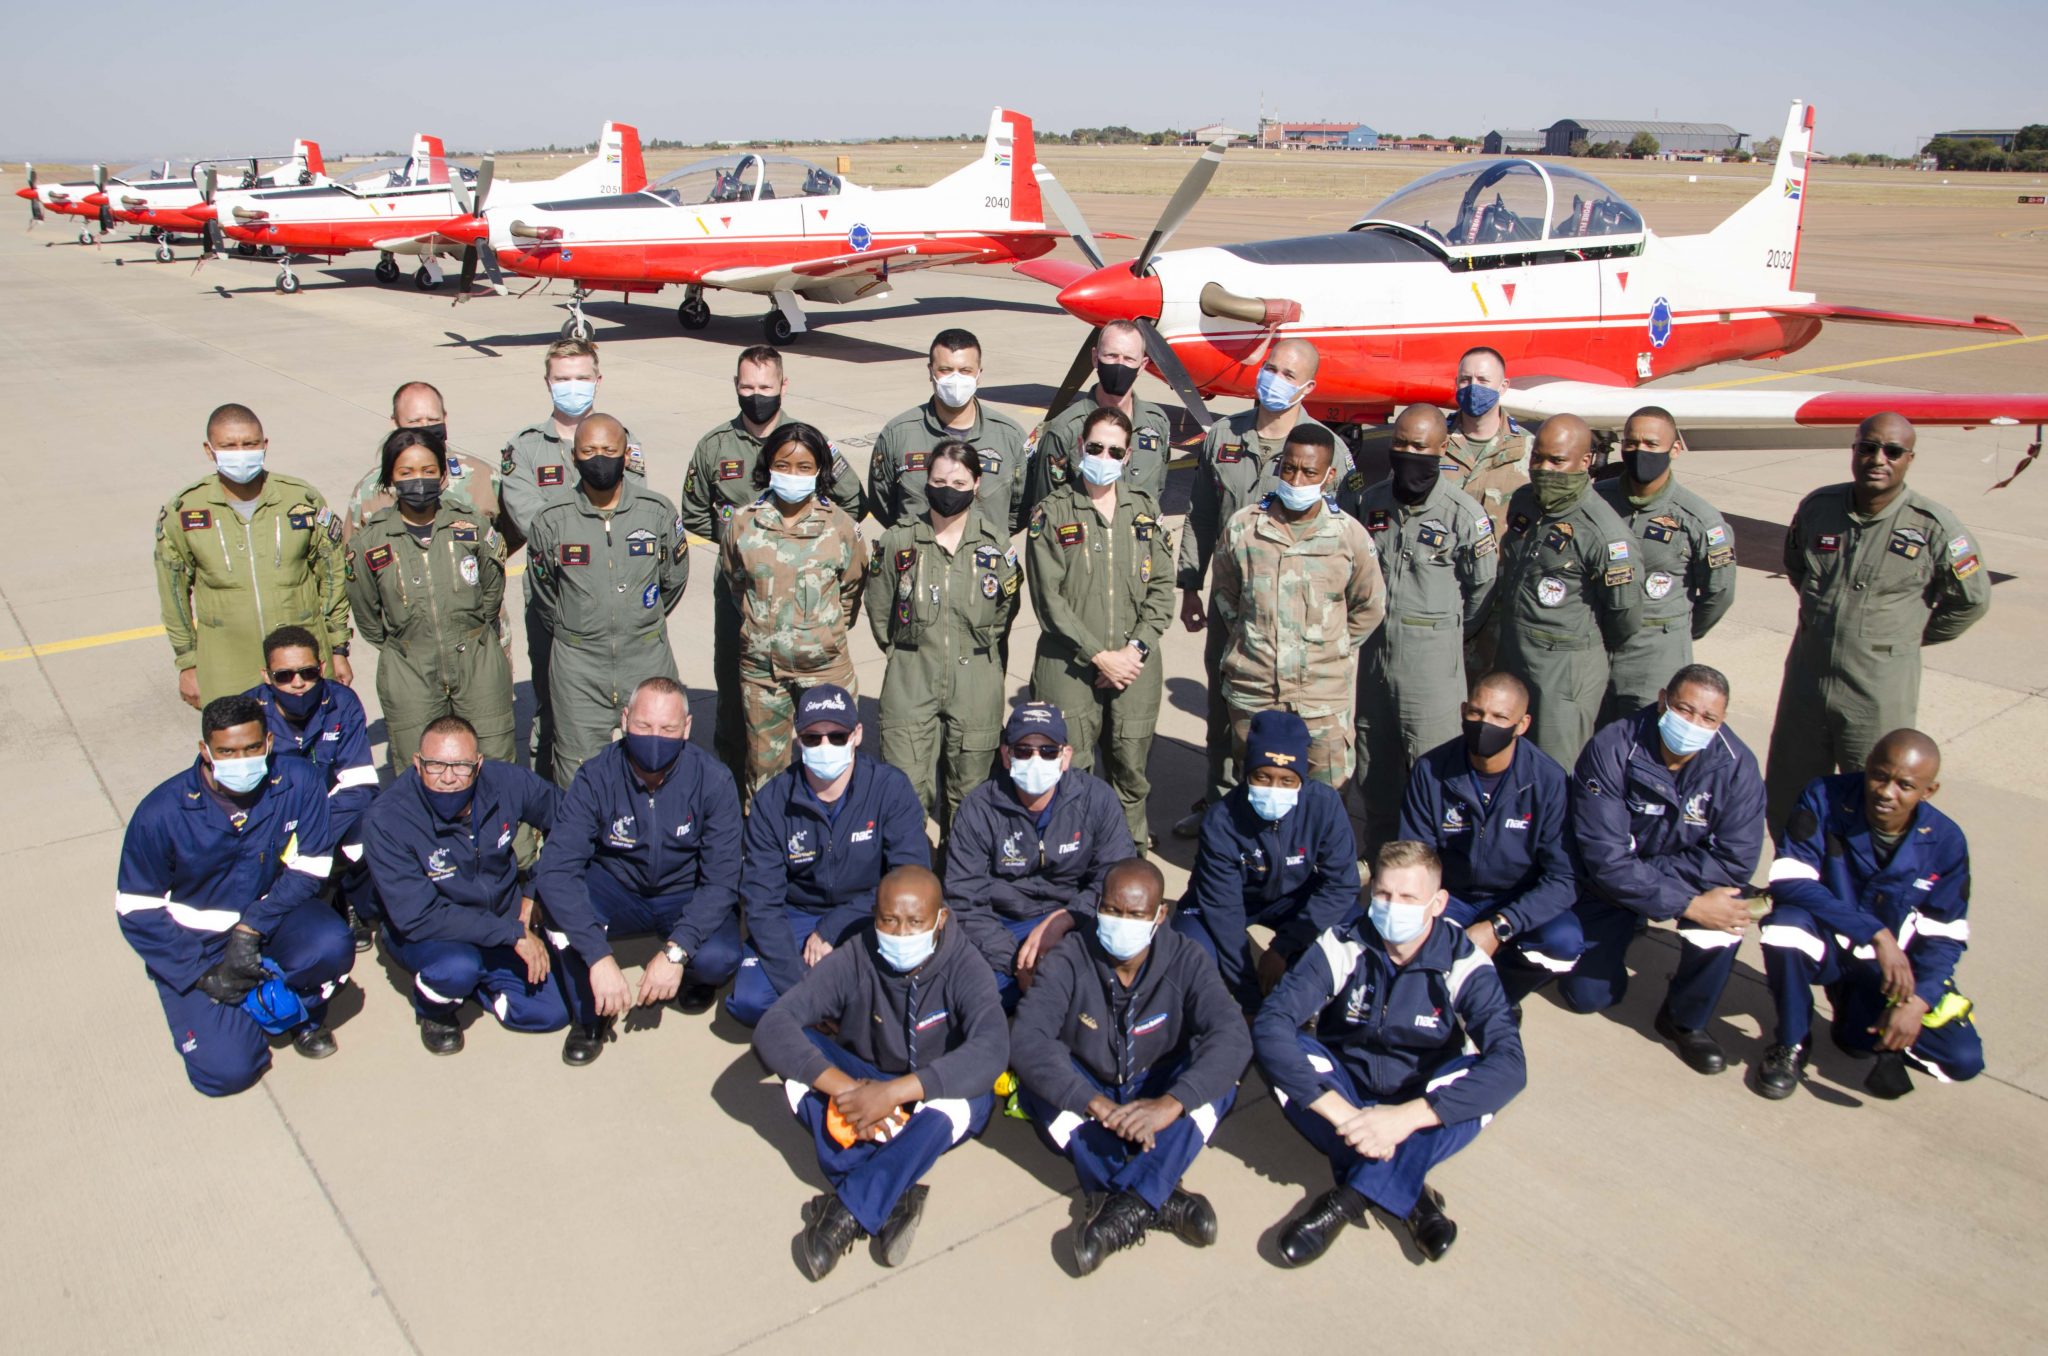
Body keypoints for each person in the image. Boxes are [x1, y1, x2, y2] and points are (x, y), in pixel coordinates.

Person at [1255, 840, 1525, 1266]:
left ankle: (1345, 1201)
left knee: (1483, 1082)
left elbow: (1511, 1065)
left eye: (1407, 897)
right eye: (1382, 894)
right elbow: (1273, 1023)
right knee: (1280, 1056)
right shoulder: (1341, 943)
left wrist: (1405, 1118)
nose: (1391, 906)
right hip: (1345, 1090)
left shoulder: (1464, 961)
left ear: (1438, 904)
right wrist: (1344, 1114)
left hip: (1422, 1098)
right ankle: (1414, 1199)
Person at [752, 865, 1008, 1281]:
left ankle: (845, 1212)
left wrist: (893, 1095)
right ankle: (894, 1192)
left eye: (915, 923)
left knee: (974, 1095)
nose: (901, 934)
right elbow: (774, 1026)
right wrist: (850, 1092)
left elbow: (993, 1045)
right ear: (874, 915)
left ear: (940, 919)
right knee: (795, 1060)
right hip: (861, 1077)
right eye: (889, 920)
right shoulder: (855, 955)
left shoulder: (966, 964)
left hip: (928, 1088)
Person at [1011, 859, 1251, 1274]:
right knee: (1040, 1086)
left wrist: (1172, 1104)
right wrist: (1096, 1105)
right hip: (1092, 1088)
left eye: (1136, 914)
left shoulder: (1186, 959)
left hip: (1158, 1085)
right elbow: (1028, 1039)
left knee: (1219, 1082)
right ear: (1098, 906)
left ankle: (1123, 1205)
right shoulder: (1068, 958)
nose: (1121, 922)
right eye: (1112, 910)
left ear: (1160, 915)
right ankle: (1157, 1196)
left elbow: (1232, 1035)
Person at [116, 695, 355, 1095]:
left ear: (268, 744)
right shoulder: (160, 813)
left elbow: (311, 866)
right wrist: (201, 975)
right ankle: (245, 1000)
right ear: (205, 751)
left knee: (329, 944)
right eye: (225, 751)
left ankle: (300, 1013)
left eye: (250, 748)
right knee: (227, 1073)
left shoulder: (300, 781)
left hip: (270, 919)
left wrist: (251, 928)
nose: (239, 760)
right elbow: (136, 909)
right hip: (197, 946)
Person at [1763, 413, 1990, 832]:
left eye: (1892, 451)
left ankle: (1860, 892)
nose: (1878, 459)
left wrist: (1904, 637)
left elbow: (1971, 601)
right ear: (1854, 451)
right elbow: (1798, 567)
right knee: (1789, 796)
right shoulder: (1819, 508)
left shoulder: (1932, 526)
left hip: (1875, 694)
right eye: (1867, 448)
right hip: (1807, 683)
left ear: (1909, 459)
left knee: (1875, 800)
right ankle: (1793, 887)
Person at [1171, 339, 1357, 836]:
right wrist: (1190, 583)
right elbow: (1202, 514)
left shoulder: (1328, 448)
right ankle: (1220, 809)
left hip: (1302, 616)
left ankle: (1298, 827)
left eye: (1288, 374)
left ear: (1309, 387)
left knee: (1304, 726)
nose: (1274, 379)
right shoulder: (1224, 436)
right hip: (1234, 604)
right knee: (1225, 713)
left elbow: (1347, 544)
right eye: (1269, 368)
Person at [1559, 665, 1766, 1075]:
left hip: (1667, 878)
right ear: (1662, 701)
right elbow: (1606, 860)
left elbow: (1735, 860)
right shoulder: (1614, 746)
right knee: (1587, 996)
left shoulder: (1737, 766)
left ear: (1721, 721)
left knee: (1730, 908)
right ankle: (1620, 934)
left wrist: (1678, 894)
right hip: (1608, 888)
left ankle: (1684, 1019)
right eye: (1685, 709)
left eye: (1709, 718)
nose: (1694, 724)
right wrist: (1686, 902)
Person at [1754, 729, 1983, 1100]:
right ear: (1867, 768)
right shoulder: (1824, 797)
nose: (1886, 792)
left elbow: (1945, 935)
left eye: (1905, 785)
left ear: (1928, 791)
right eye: (1879, 775)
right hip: (1830, 944)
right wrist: (1876, 934)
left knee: (1962, 1059)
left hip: (1889, 974)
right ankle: (1792, 1042)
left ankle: (1864, 1019)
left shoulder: (1946, 841)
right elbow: (1788, 880)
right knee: (1784, 930)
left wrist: (1917, 1002)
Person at [683, 346, 867, 790]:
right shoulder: (715, 446)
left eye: (765, 387)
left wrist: (810, 552)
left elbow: (853, 505)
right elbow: (694, 514)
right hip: (747, 593)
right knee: (734, 698)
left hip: (811, 602)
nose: (756, 395)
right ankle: (735, 790)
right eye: (747, 387)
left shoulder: (806, 439)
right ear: (736, 386)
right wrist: (755, 545)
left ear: (783, 387)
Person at [534, 679, 743, 1065]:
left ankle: (692, 975)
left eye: (667, 729)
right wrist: (598, 957)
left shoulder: (713, 780)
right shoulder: (596, 776)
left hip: (683, 890)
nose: (655, 738)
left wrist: (675, 952)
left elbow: (722, 879)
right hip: (617, 887)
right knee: (559, 915)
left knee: (720, 957)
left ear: (687, 727)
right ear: (625, 719)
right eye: (644, 726)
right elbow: (557, 870)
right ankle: (589, 1015)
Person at [726, 685, 932, 1027]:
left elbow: (911, 877)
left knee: (909, 991)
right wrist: (804, 992)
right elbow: (762, 902)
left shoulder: (890, 789)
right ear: (798, 738)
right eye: (812, 738)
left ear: (857, 735)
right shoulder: (772, 802)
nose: (825, 746)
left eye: (837, 737)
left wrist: (832, 929)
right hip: (797, 915)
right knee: (750, 1002)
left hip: (869, 913)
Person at [362, 716, 567, 1055]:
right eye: (434, 765)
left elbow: (568, 821)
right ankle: (434, 1007)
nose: (447, 778)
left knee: (552, 1011)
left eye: (460, 766)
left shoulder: (506, 783)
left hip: (502, 914)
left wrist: (536, 889)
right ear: (416, 763)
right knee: (456, 969)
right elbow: (418, 916)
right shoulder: (386, 819)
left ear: (478, 764)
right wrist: (512, 933)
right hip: (433, 932)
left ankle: (481, 985)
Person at [494, 338, 649, 779]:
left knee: (625, 705)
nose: (573, 386)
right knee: (552, 701)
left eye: (581, 377)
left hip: (615, 593)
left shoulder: (623, 439)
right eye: (563, 379)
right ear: (548, 382)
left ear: (598, 381)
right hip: (552, 596)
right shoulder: (524, 448)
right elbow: (529, 519)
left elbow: (632, 507)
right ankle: (550, 798)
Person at [1025, 408, 1176, 848]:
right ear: (1080, 449)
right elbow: (1048, 600)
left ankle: (1129, 859)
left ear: (1127, 456)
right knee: (1071, 767)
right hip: (1069, 663)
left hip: (1135, 665)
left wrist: (1134, 652)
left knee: (1130, 768)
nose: (1103, 456)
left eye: (1114, 450)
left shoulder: (1145, 512)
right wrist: (1099, 654)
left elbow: (1162, 589)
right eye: (1095, 448)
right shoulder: (1051, 513)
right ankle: (1072, 858)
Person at [1351, 404, 1497, 849]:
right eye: (1400, 444)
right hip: (1375, 660)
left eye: (1419, 447)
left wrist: (1445, 634)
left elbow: (1483, 590)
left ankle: (1433, 859)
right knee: (1374, 765)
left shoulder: (1463, 515)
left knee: (1435, 768)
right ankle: (1380, 855)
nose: (1408, 454)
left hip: (1431, 668)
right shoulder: (1372, 501)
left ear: (1442, 448)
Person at [1212, 424, 1386, 788]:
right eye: (1289, 468)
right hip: (1255, 692)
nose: (1296, 478)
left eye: (1309, 472)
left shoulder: (1347, 536)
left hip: (1321, 701)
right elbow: (1227, 595)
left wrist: (1330, 647)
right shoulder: (1244, 527)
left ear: (1329, 475)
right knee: (1253, 791)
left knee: (1326, 796)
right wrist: (1254, 640)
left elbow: (1368, 606)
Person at [865, 439, 1020, 837]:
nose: (947, 488)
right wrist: (904, 654)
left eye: (958, 480)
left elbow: (1004, 609)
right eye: (938, 480)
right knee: (904, 790)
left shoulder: (996, 547)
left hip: (976, 680)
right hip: (911, 674)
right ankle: (911, 888)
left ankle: (960, 887)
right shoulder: (899, 542)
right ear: (925, 482)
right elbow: (880, 609)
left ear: (977, 483)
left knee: (970, 797)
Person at [525, 414, 687, 788]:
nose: (599, 458)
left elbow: (672, 581)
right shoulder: (551, 521)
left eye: (609, 450)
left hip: (646, 655)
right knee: (577, 772)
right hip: (578, 665)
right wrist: (583, 623)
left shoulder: (657, 512)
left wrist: (636, 620)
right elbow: (547, 593)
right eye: (589, 450)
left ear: (626, 455)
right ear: (573, 456)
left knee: (661, 762)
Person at [1399, 672, 1581, 1006]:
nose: (1485, 724)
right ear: (1463, 710)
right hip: (1451, 895)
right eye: (1476, 713)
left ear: (1522, 724)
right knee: (1398, 930)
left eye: (1500, 717)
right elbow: (1414, 859)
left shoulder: (1548, 780)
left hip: (1516, 897)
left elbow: (1564, 878)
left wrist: (1501, 925)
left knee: (1563, 941)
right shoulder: (1431, 770)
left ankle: (1499, 998)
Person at [155, 402, 350, 708]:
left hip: (300, 666)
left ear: (265, 446)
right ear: (209, 450)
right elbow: (174, 594)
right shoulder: (185, 511)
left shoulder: (300, 499)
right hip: (226, 667)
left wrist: (337, 648)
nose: (240, 452)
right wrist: (188, 663)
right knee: (238, 750)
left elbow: (333, 573)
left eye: (249, 444)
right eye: (228, 446)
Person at [346, 427, 516, 769]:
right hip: (410, 665)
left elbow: (491, 591)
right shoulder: (370, 542)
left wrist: (467, 630)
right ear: (390, 478)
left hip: (476, 657)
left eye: (427, 471)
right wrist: (408, 642)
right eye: (405, 473)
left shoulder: (472, 528)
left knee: (494, 758)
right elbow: (367, 613)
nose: (417, 480)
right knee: (419, 765)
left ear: (441, 476)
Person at [946, 702, 1136, 1006]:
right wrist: (1017, 962)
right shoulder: (978, 809)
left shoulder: (1097, 799)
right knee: (967, 998)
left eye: (1048, 751)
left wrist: (1066, 919)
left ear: (1066, 756)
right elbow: (965, 900)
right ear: (1006, 756)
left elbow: (1116, 877)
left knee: (1117, 987)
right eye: (1023, 750)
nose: (1036, 759)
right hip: (1004, 926)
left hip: (1077, 918)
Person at [1175, 710, 1360, 1015]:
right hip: (1237, 902)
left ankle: (1314, 1005)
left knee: (1351, 932)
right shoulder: (1221, 820)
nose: (1274, 789)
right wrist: (1249, 994)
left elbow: (1342, 884)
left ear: (1302, 779)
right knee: (1189, 953)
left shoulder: (1324, 805)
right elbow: (1224, 910)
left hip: (1294, 899)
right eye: (1263, 777)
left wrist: (1284, 947)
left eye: (1288, 780)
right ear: (1246, 773)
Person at [1487, 413, 1642, 768]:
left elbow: (1624, 619)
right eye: (1537, 458)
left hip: (1564, 673)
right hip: (1513, 655)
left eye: (1557, 461)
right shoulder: (1526, 501)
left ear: (1586, 462)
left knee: (1555, 769)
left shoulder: (1604, 534)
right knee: (1505, 761)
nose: (1544, 469)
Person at [720, 423, 868, 792]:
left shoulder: (839, 526)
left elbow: (851, 588)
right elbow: (737, 583)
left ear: (820, 471)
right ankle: (767, 846)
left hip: (826, 668)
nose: (793, 474)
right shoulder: (743, 523)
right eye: (783, 465)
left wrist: (820, 635)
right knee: (764, 772)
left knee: (832, 768)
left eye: (804, 467)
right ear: (768, 465)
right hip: (762, 673)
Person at [1595, 406, 1736, 723]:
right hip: (1597, 649)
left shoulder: (1697, 518)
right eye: (1631, 443)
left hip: (1655, 656)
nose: (1639, 451)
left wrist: (1676, 632)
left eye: (1650, 444)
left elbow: (1719, 594)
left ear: (1675, 449)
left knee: (1647, 746)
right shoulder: (1597, 501)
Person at [243, 624, 378, 949]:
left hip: (331, 816)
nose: (298, 682)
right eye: (284, 675)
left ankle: (349, 898)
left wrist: (313, 832)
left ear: (321, 668)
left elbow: (358, 783)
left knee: (373, 821)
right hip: (274, 820)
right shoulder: (248, 714)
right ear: (266, 675)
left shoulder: (342, 703)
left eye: (306, 672)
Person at [868, 328, 1030, 536]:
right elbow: (883, 505)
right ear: (930, 371)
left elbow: (1022, 508)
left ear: (979, 374)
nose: (955, 379)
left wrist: (988, 541)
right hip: (921, 561)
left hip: (984, 563)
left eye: (965, 370)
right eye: (945, 369)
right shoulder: (898, 434)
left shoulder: (1010, 436)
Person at [1023, 321, 1175, 509]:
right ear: (1095, 358)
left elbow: (1156, 494)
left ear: (1143, 365)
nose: (1120, 365)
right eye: (1111, 356)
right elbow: (1046, 508)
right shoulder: (1065, 429)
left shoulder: (1156, 424)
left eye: (1128, 359)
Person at [342, 381, 501, 538]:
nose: (425, 427)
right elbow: (352, 551)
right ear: (395, 423)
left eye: (433, 420)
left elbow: (506, 538)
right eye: (415, 421)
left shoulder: (483, 477)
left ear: (445, 418)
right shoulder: (371, 488)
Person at [1442, 346, 1531, 539]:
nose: (1473, 387)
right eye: (1465, 380)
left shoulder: (1529, 449)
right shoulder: (1433, 441)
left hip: (1500, 566)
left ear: (1503, 386)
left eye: (1483, 380)